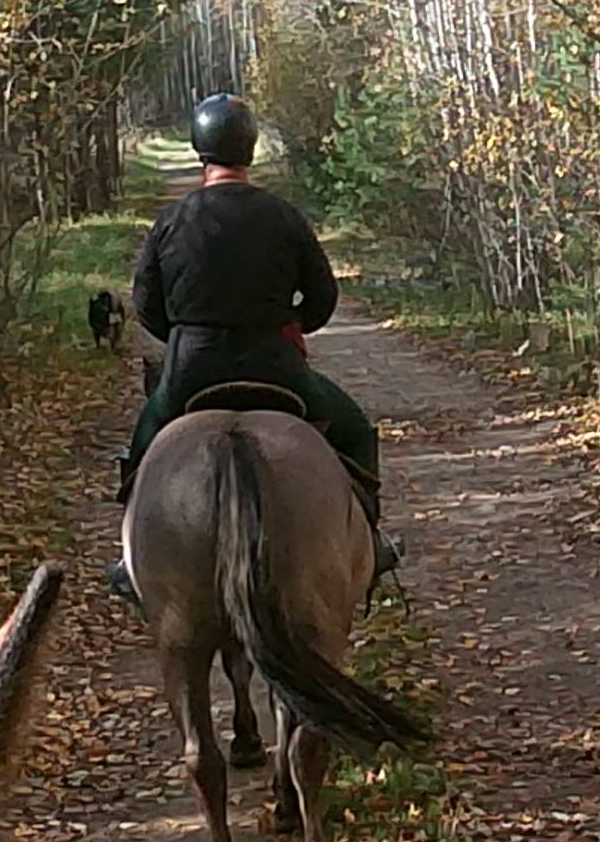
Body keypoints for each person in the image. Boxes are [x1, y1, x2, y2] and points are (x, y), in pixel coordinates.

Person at [115, 95, 393, 580]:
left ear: (200, 149)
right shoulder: (284, 215)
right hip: (276, 367)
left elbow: (145, 306)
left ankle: (131, 560)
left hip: (190, 373)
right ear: (249, 147)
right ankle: (371, 542)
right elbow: (323, 297)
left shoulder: (172, 221)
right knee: (355, 431)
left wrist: (183, 334)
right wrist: (292, 325)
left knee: (140, 452)